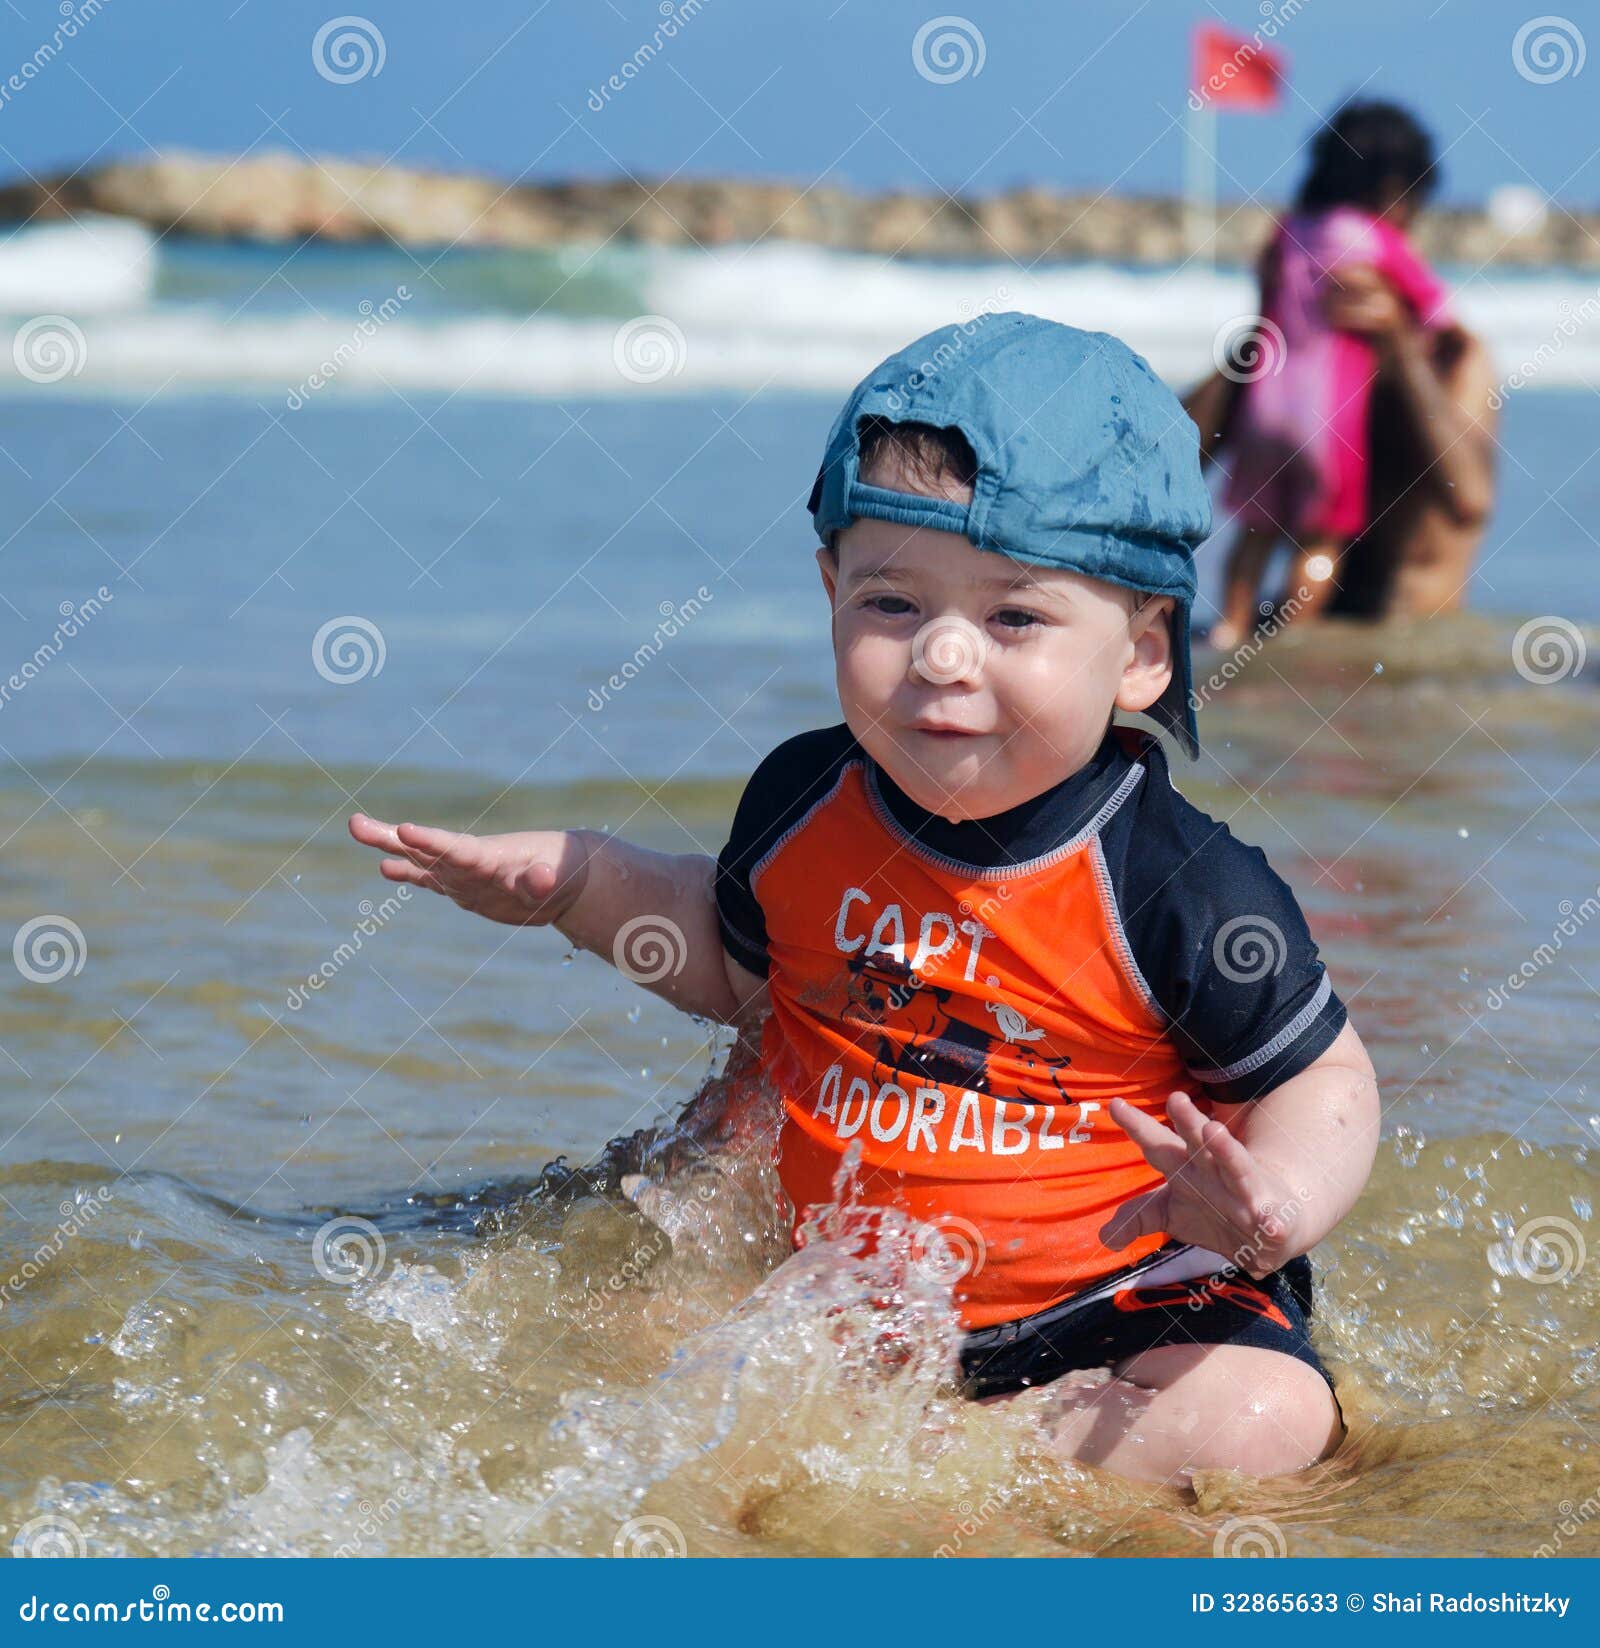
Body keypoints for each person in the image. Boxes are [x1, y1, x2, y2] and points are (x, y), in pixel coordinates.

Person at [348, 313, 1380, 1485]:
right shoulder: (803, 799)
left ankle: (989, 1468)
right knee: (624, 1342)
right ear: (830, 587)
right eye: (893, 604)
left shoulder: (1178, 886)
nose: (942, 656)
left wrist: (1276, 1201)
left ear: (1143, 651)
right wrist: (579, 886)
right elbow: (741, 970)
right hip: (852, 1296)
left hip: (1125, 1293)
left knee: (1263, 1419)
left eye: (1013, 617)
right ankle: (911, 1464)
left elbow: (1324, 1077)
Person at [1196, 101, 1496, 641]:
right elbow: (1174, 463)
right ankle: (1264, 639)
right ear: (1398, 202)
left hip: (1402, 636)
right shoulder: (1358, 262)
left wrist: (1399, 345)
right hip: (1315, 638)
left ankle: (1231, 628)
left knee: (1256, 533)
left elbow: (1468, 500)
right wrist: (1265, 325)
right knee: (1313, 543)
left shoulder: (1457, 362)